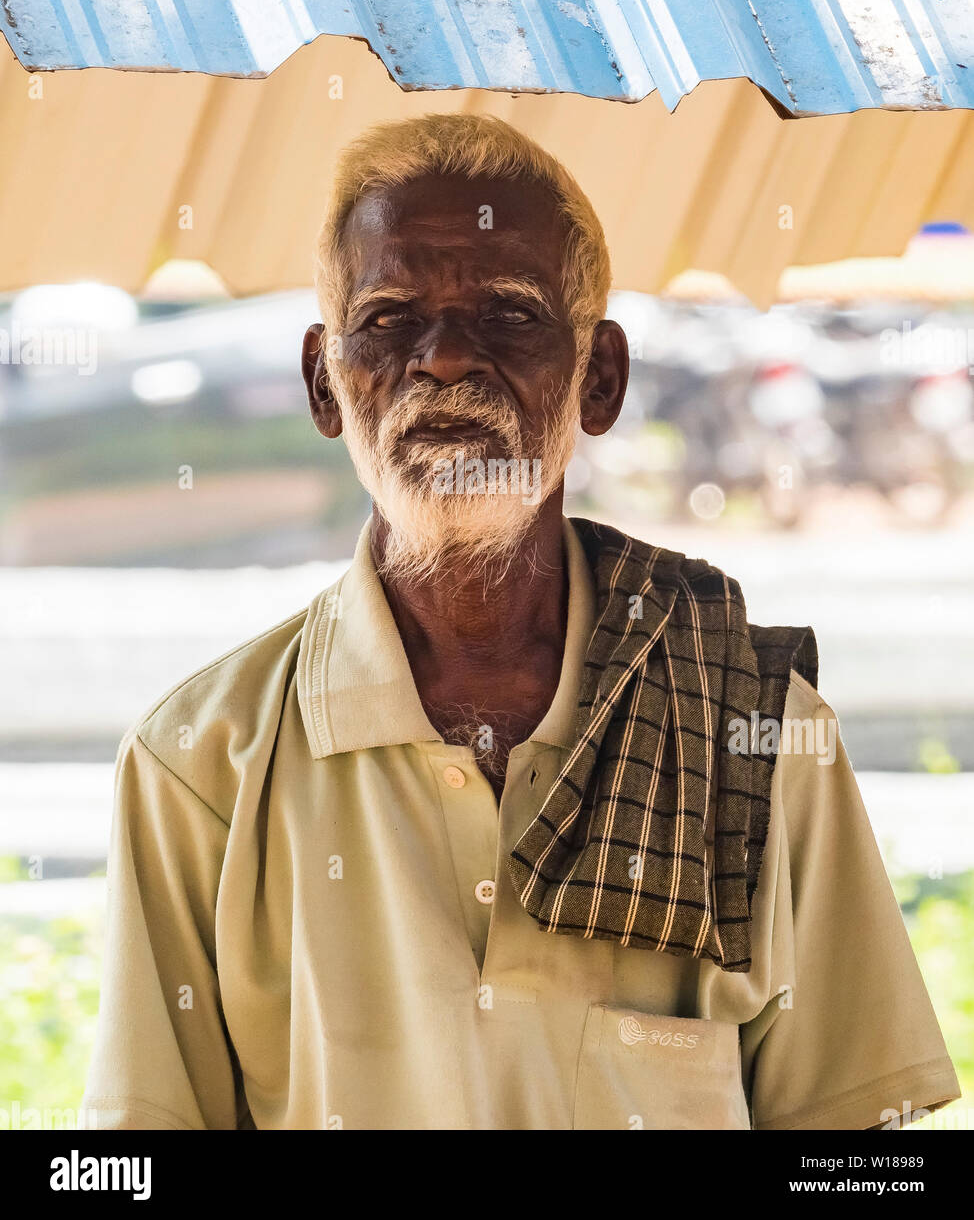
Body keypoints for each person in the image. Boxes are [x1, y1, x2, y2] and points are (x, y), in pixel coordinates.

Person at [83, 114, 959, 1130]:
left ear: (599, 379)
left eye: (506, 313)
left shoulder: (748, 732)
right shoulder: (202, 766)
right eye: (388, 318)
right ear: (326, 383)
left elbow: (853, 1145)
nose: (445, 358)